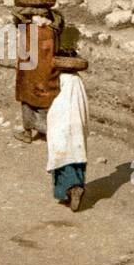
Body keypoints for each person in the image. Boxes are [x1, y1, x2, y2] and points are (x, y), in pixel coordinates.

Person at [13, 0, 64, 143]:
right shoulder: (53, 29)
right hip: (46, 71)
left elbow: (16, 14)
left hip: (29, 72)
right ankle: (47, 131)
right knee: (44, 99)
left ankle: (30, 132)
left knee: (28, 99)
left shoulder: (26, 28)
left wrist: (31, 15)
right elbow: (59, 20)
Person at [45, 37, 89, 211]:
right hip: (77, 122)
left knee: (62, 154)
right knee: (77, 153)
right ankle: (77, 185)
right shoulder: (77, 80)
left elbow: (50, 99)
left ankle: (69, 189)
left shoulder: (59, 79)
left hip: (62, 122)